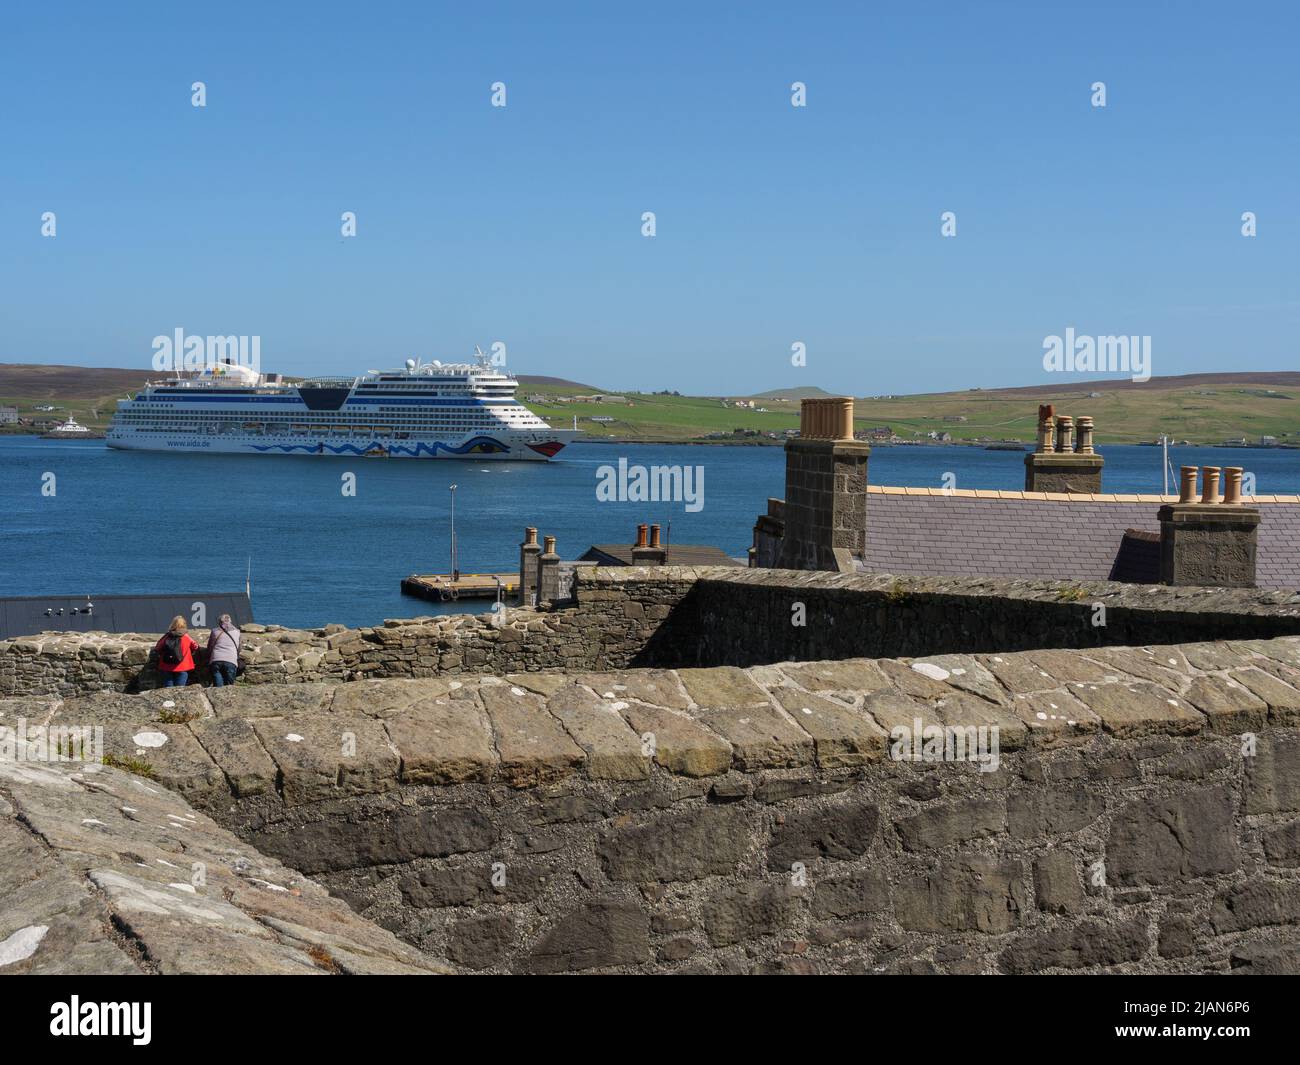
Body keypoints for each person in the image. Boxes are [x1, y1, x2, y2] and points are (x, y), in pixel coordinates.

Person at [154, 616, 199, 687]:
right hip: (182, 666)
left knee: (168, 691)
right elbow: (195, 646)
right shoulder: (186, 637)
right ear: (184, 625)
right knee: (180, 691)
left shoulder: (167, 636)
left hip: (167, 666)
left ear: (173, 625)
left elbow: (158, 648)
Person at [206, 614, 241, 688]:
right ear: (230, 621)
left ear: (219, 621)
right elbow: (238, 648)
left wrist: (208, 657)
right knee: (229, 687)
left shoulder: (215, 631)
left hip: (216, 659)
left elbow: (210, 647)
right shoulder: (237, 632)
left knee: (218, 687)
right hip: (231, 660)